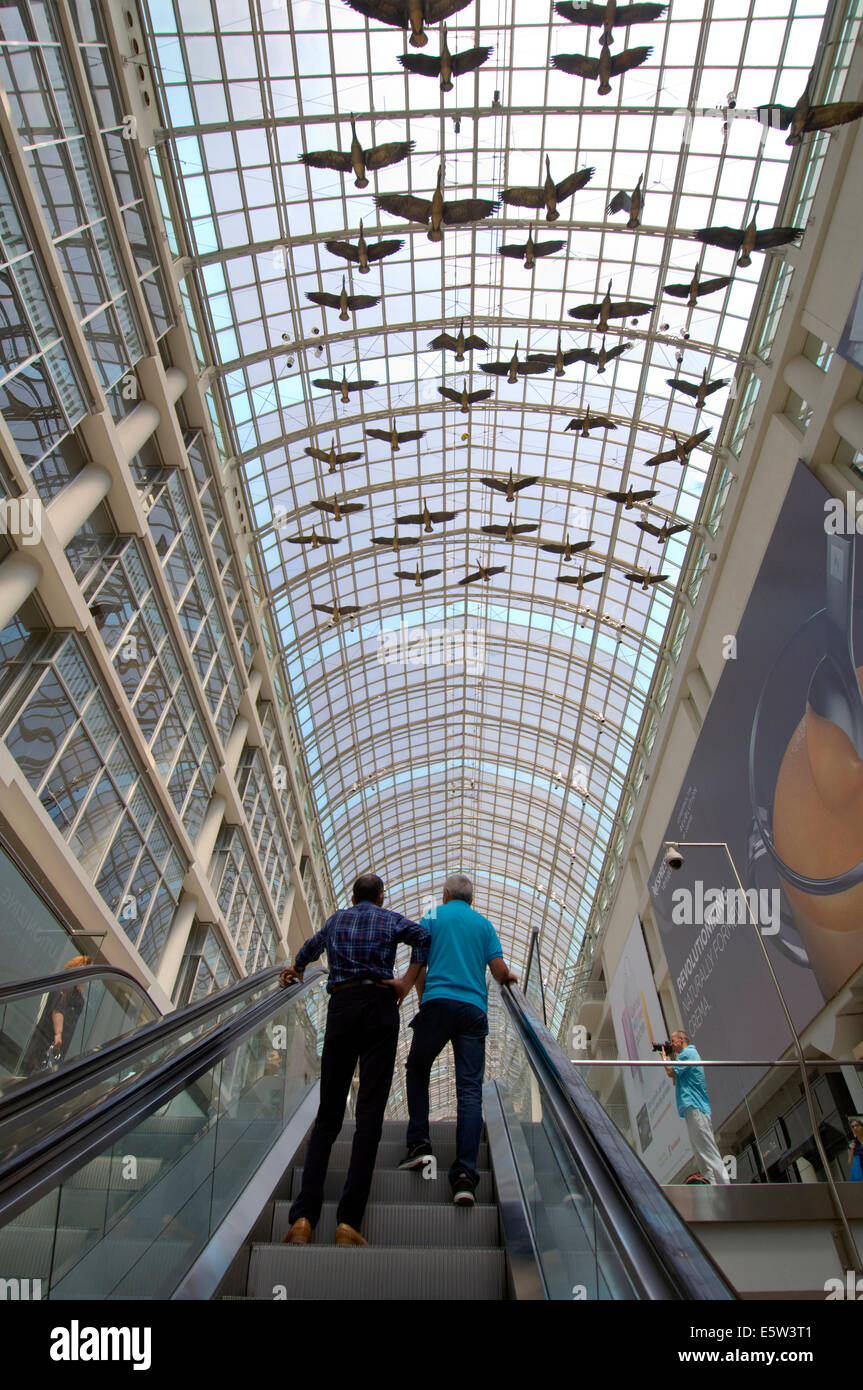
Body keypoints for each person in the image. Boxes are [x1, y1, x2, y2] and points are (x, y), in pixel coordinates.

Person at [280, 872, 430, 1247]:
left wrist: (297, 969)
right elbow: (426, 938)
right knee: (368, 1117)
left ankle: (302, 1219)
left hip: (342, 1007)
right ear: (381, 896)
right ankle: (348, 1222)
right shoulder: (389, 918)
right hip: (380, 1005)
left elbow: (309, 949)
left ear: (352, 895)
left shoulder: (336, 921)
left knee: (328, 1115)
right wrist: (407, 983)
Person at [398, 873, 517, 1205]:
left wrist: (423, 1001)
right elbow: (498, 970)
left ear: (446, 894)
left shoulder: (433, 916)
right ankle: (465, 1176)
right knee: (469, 1091)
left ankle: (420, 1142)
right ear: (472, 899)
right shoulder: (484, 925)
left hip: (437, 1003)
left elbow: (419, 964)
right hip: (473, 1011)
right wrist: (508, 977)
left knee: (418, 1067)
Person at [662, 1029, 730, 1185]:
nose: (672, 1044)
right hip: (691, 1108)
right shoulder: (684, 1057)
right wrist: (670, 1057)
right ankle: (714, 1187)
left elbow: (670, 1072)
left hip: (696, 1107)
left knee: (709, 1152)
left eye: (673, 1041)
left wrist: (664, 1057)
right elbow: (675, 1080)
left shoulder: (689, 1054)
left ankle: (727, 1188)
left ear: (682, 1039)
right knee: (701, 1154)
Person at [20, 955, 93, 1076]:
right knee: (33, 1071)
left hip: (56, 1041)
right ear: (80, 968)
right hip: (48, 1037)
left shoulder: (75, 989)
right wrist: (58, 1034)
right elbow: (58, 1009)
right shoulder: (68, 985)